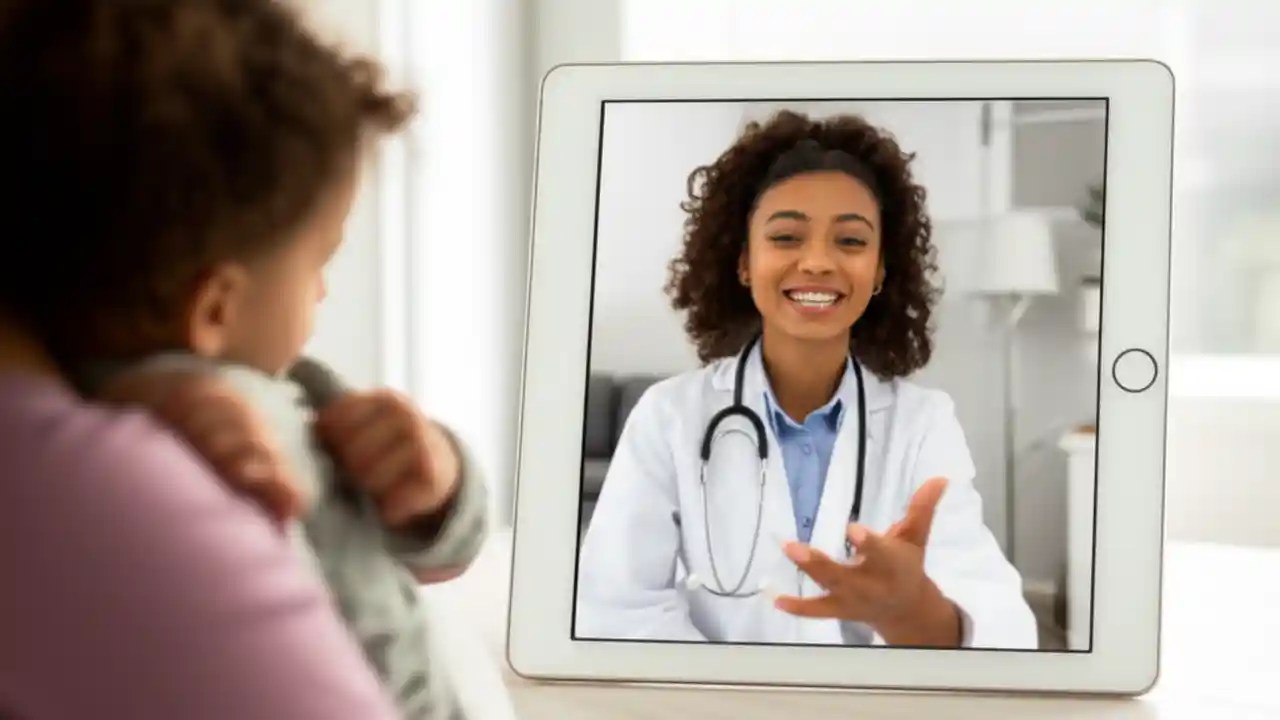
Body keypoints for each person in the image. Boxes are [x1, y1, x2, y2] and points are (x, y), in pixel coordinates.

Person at [0, 0, 481, 716]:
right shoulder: (221, 439)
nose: (322, 292)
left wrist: (437, 483)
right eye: (321, 261)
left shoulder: (305, 394)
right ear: (215, 308)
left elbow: (444, 554)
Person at [575, 110, 1038, 650]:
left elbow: (1000, 625)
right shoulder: (669, 414)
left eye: (851, 241)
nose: (817, 262)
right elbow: (616, 607)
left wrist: (913, 610)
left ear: (881, 270)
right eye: (788, 236)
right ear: (744, 261)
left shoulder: (923, 423)